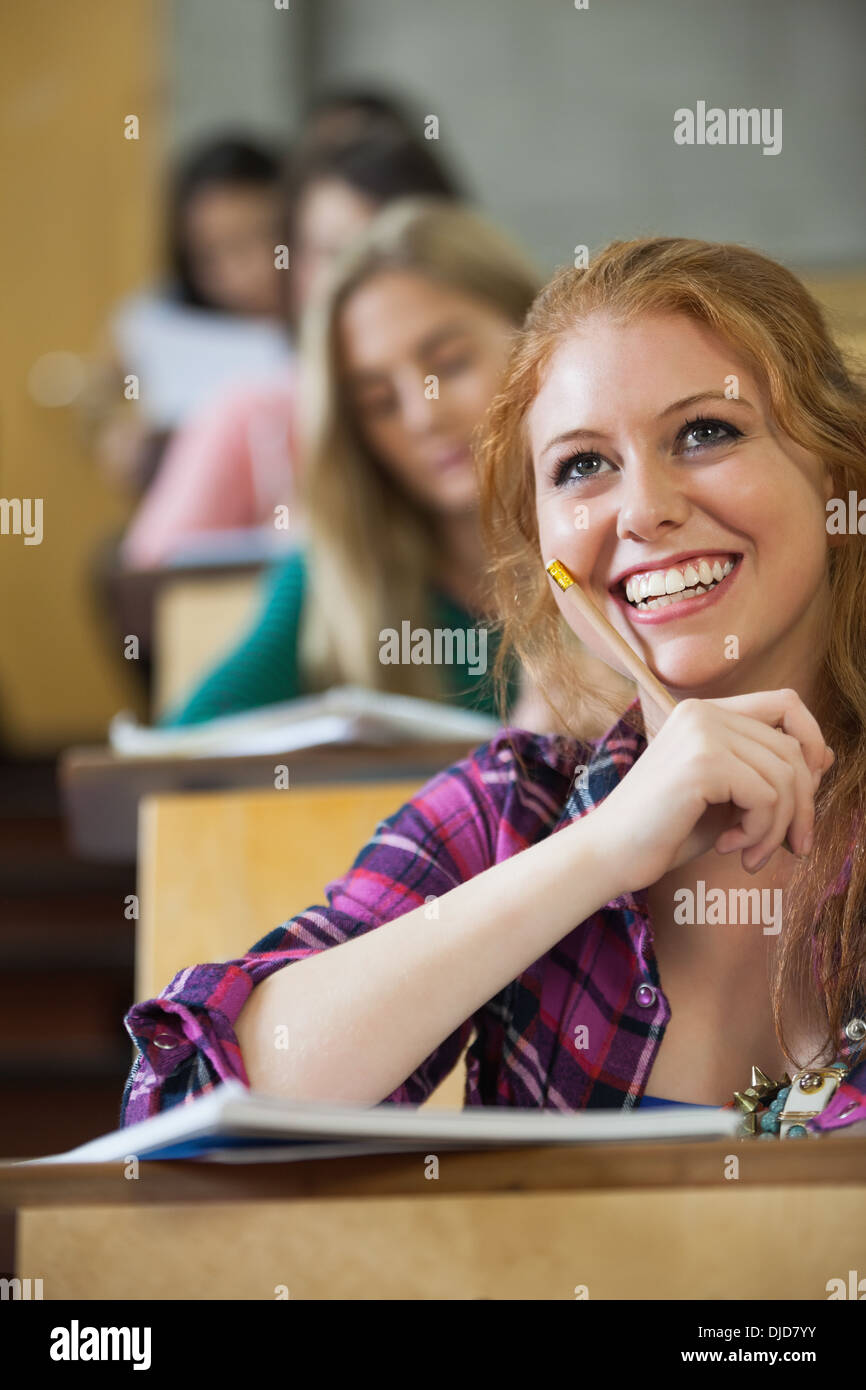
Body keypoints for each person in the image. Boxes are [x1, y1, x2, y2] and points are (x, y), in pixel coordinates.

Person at [120, 237, 866, 1139]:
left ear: (835, 471)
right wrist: (597, 853)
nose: (642, 510)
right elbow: (184, 1106)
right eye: (583, 466)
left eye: (706, 432)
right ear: (547, 548)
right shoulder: (515, 807)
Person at [157, 198, 629, 726]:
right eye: (378, 402)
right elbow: (171, 764)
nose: (422, 415)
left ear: (540, 339)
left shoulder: (637, 529)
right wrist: (511, 768)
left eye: (450, 365)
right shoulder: (329, 579)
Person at [120, 123, 461, 571]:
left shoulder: (521, 384)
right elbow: (151, 582)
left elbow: (558, 569)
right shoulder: (255, 415)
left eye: (399, 250)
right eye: (337, 254)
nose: (421, 416)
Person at [85, 133, 292, 499]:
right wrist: (120, 437)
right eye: (212, 254)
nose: (245, 274)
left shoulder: (337, 317)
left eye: (263, 237)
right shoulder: (154, 322)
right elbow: (100, 401)